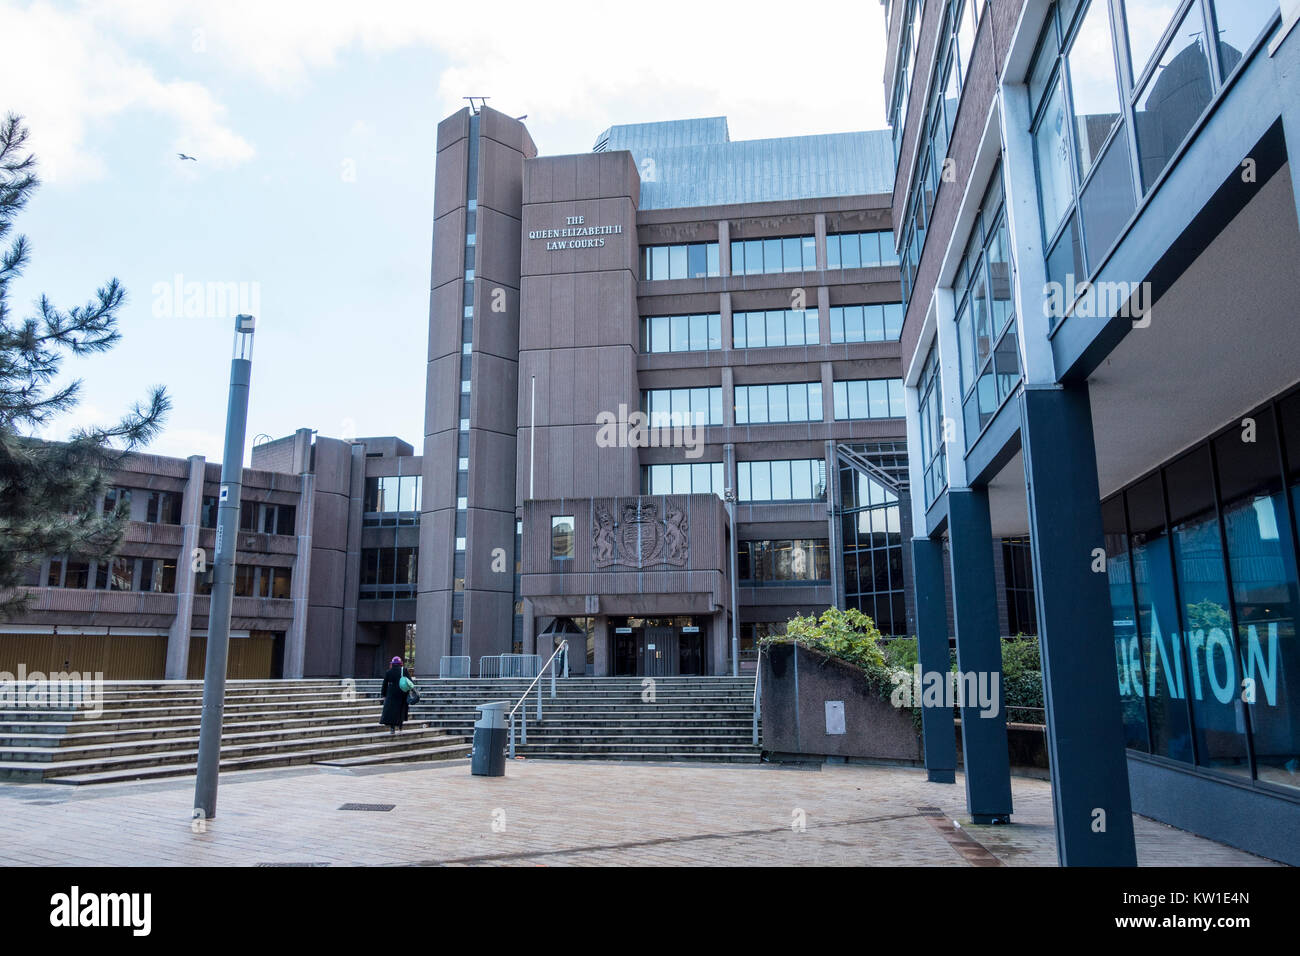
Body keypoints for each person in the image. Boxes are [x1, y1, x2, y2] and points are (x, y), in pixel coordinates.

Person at [379, 656, 410, 734]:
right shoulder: (404, 670)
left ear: (392, 664)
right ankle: (400, 726)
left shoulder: (388, 672)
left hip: (391, 694)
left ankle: (392, 728)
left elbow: (385, 684)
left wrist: (383, 694)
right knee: (401, 710)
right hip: (402, 693)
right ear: (400, 664)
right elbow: (410, 682)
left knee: (392, 711)